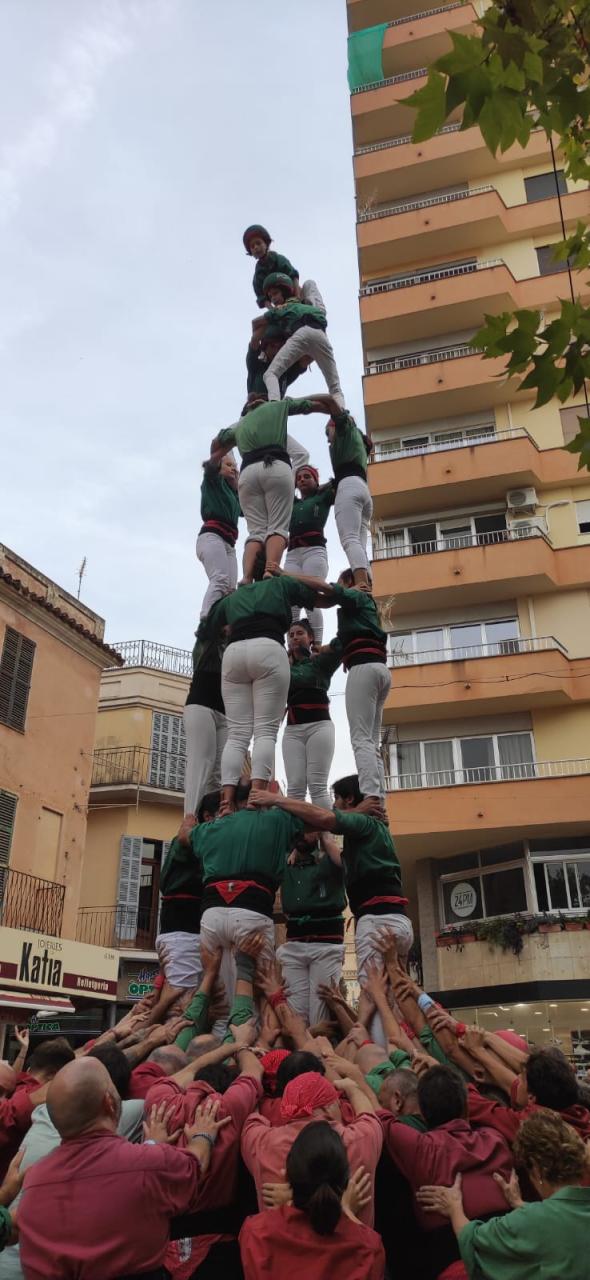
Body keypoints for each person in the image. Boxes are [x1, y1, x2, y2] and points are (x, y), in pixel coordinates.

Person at [17, 1057, 231, 1280]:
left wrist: (153, 1147)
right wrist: (202, 1135)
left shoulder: (34, 1180)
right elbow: (195, 1167)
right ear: (109, 1102)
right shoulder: (149, 1165)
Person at [248, 778, 412, 1046]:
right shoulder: (370, 829)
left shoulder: (357, 832)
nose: (334, 806)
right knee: (387, 998)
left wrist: (280, 802)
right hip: (378, 922)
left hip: (360, 929)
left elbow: (326, 824)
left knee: (365, 997)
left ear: (347, 799)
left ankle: (383, 1059)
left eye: (337, 800)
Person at [197, 569, 335, 808]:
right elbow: (324, 599)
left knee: (237, 734)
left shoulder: (233, 597)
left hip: (234, 653)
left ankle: (226, 803)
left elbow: (205, 629)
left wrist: (228, 625)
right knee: (265, 732)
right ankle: (256, 797)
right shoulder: (280, 585)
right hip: (268, 648)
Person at [417, 1110, 590, 1280]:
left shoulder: (530, 1220)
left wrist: (454, 1208)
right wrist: (520, 1203)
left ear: (537, 1169)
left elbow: (476, 1241)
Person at [380, 1064, 512, 1278]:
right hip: (509, 1259)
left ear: (422, 1111)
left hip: (451, 1265)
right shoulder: (496, 1140)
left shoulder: (420, 1149)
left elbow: (381, 1119)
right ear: (466, 1109)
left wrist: (354, 1082)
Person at [209, 394, 337, 582]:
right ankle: (270, 570)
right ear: (264, 401)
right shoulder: (276, 407)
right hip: (276, 467)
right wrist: (332, 410)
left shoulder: (242, 423)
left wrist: (216, 457)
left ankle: (246, 577)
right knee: (277, 528)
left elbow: (216, 442)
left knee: (256, 532)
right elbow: (308, 406)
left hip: (248, 473)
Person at [239, 1122, 385, 1280]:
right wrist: (347, 1212)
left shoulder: (256, 1234)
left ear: (286, 1175)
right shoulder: (369, 1249)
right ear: (345, 1182)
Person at [241, 1071, 383, 1227]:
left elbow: (251, 1116)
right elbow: (368, 1114)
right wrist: (352, 1088)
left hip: (280, 1251)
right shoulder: (362, 1138)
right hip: (357, 1249)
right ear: (329, 1107)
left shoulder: (262, 1143)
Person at [332, 572, 391, 803]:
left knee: (361, 739)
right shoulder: (367, 609)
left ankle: (371, 796)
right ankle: (380, 798)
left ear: (349, 583)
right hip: (380, 669)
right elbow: (339, 644)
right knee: (371, 741)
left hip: (363, 668)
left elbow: (330, 592)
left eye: (341, 582)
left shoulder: (356, 598)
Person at [277, 832, 346, 1026]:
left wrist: (325, 833)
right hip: (294, 945)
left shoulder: (329, 859)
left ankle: (324, 1054)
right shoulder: (285, 860)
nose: (302, 833)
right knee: (295, 1018)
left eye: (308, 828)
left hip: (326, 944)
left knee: (321, 1017)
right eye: (298, 828)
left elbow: (341, 861)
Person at [282, 619, 342, 809]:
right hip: (292, 731)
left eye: (300, 633)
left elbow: (342, 644)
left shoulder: (319, 662)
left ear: (310, 638)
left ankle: (325, 836)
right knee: (295, 788)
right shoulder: (281, 666)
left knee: (317, 786)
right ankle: (296, 836)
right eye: (291, 635)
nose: (294, 638)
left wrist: (322, 648)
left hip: (319, 727)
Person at [261, 275, 345, 408]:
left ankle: (274, 408)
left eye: (275, 294)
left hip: (304, 333)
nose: (273, 299)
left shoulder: (285, 308)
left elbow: (261, 323)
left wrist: (270, 308)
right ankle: (342, 414)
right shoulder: (306, 307)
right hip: (320, 334)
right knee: (335, 387)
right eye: (271, 297)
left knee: (270, 374)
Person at [0, 1038, 74, 1181]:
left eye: (8, 1094)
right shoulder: (31, 1098)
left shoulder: (19, 1086)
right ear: (54, 1075)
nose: (4, 1100)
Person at [183, 591, 227, 813]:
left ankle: (213, 820)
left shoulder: (232, 647)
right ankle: (189, 818)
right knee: (201, 763)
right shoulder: (206, 640)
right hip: (201, 704)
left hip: (224, 712)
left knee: (220, 772)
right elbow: (207, 624)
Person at [284, 465, 335, 643]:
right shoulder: (292, 503)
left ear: (315, 480)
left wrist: (323, 486)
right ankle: (292, 641)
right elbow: (282, 488)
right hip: (292, 553)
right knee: (291, 598)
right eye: (299, 478)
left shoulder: (323, 497)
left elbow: (338, 482)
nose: (302, 480)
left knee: (309, 596)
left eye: (307, 476)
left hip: (314, 550)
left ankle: (317, 644)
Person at [326, 410, 373, 589]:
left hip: (349, 487)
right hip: (363, 489)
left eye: (327, 432)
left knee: (350, 539)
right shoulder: (357, 443)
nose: (328, 439)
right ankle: (367, 580)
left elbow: (337, 410)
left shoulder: (346, 431)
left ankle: (361, 583)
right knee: (359, 543)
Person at [196, 453, 241, 618]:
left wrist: (238, 484)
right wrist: (222, 449)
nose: (233, 469)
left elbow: (249, 508)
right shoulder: (213, 481)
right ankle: (206, 617)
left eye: (234, 467)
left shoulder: (234, 495)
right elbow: (211, 469)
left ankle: (223, 623)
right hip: (212, 536)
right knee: (220, 578)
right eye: (228, 465)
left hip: (229, 543)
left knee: (230, 589)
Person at [242, 225, 325, 311]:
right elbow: (263, 299)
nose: (256, 247)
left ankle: (317, 311)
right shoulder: (258, 276)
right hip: (281, 305)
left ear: (266, 244)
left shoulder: (279, 260)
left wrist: (296, 298)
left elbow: (294, 277)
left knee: (309, 283)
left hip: (298, 296)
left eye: (258, 243)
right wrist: (274, 311)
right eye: (252, 246)